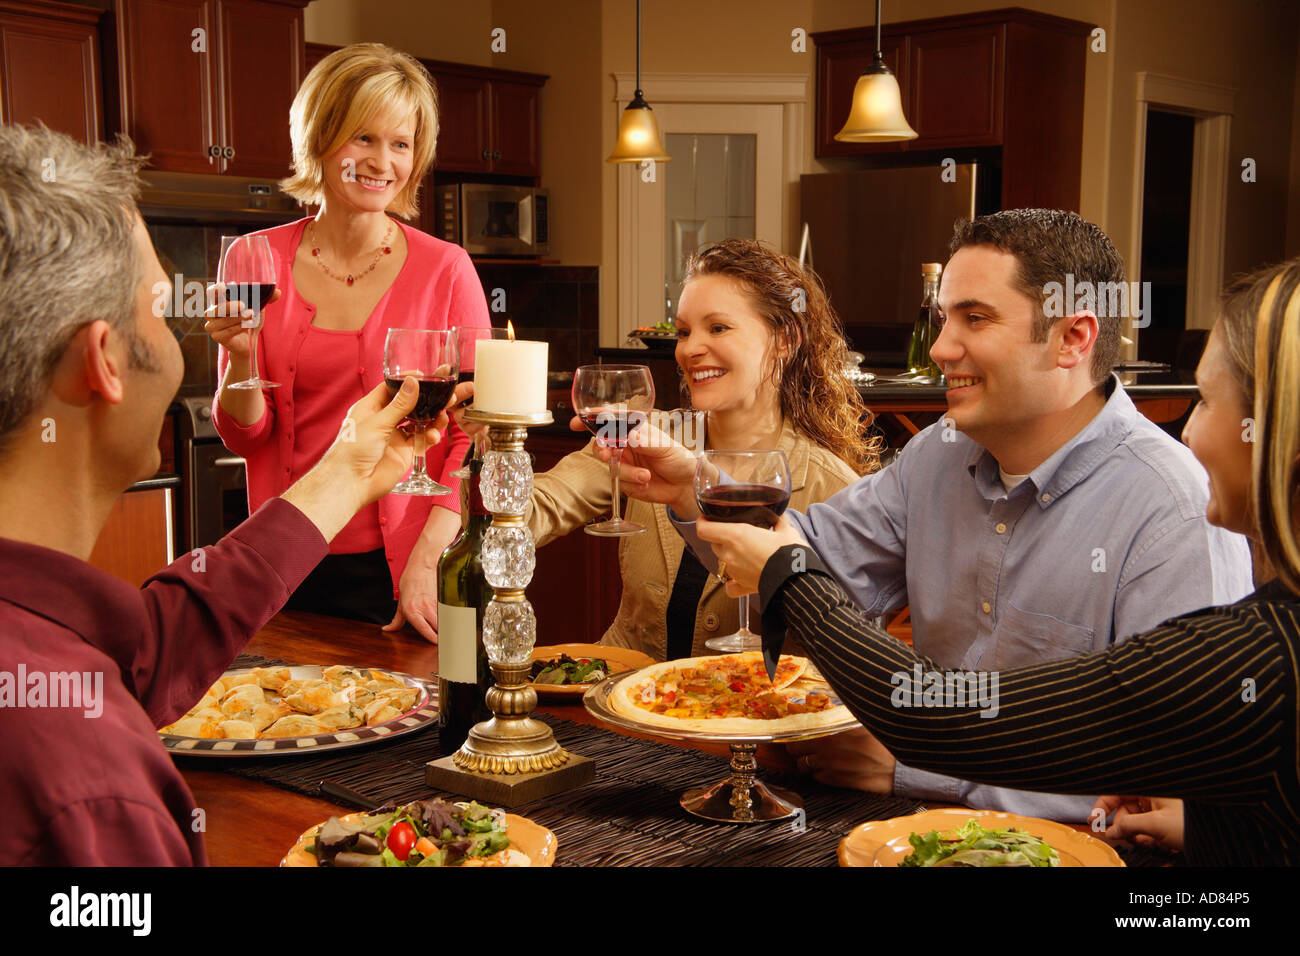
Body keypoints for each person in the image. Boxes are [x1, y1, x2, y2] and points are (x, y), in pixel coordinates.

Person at [598, 210, 1254, 819]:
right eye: (944, 319)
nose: (940, 348)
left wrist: (921, 771)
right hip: (906, 836)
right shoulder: (939, 455)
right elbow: (794, 565)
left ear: (1071, 339)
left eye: (974, 319)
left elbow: (1180, 789)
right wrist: (693, 488)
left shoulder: (1174, 512)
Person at [736, 256, 1300, 866]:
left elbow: (942, 720)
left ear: (1277, 435)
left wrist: (790, 570)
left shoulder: (1259, 649)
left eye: (1209, 402)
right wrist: (1205, 830)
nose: (1188, 433)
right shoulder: (1272, 636)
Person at [0, 125, 460, 864]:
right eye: (158, 305)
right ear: (103, 360)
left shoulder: (45, 644)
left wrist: (347, 467)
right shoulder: (88, 789)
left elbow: (151, 647)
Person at [459, 239, 878, 660]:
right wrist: (492, 446)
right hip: (621, 701)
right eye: (683, 331)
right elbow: (525, 516)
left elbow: (850, 647)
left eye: (717, 328)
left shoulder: (832, 484)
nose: (689, 349)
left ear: (786, 339)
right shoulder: (644, 435)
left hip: (748, 715)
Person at [207, 43, 490, 639]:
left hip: (405, 561)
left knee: (418, 724)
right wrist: (238, 358)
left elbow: (474, 430)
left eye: (401, 143)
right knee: (296, 723)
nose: (381, 161)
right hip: (284, 555)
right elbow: (245, 433)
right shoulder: (254, 259)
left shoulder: (446, 269)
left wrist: (431, 556)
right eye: (362, 137)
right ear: (319, 137)